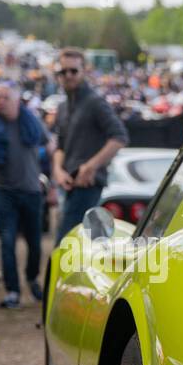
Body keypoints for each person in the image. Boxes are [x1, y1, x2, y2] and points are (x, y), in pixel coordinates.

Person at [0, 82, 48, 310]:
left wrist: (54, 183)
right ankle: (12, 290)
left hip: (31, 191)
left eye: (6, 97)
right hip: (4, 191)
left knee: (35, 243)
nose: (1, 102)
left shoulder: (32, 123)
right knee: (7, 242)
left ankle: (31, 278)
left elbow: (51, 147)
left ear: (17, 100)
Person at [52, 48, 129, 245]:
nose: (68, 76)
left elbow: (119, 137)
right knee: (72, 246)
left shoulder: (95, 102)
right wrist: (58, 170)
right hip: (68, 184)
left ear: (84, 71)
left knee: (65, 245)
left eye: (73, 71)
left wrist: (91, 166)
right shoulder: (62, 106)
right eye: (63, 71)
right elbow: (60, 145)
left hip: (87, 185)